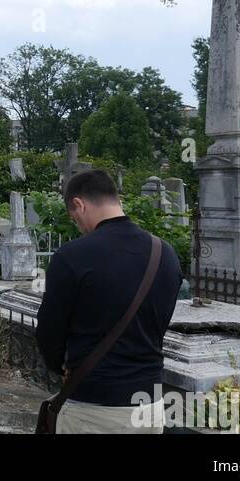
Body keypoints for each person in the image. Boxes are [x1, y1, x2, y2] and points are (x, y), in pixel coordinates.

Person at [35, 170, 182, 433]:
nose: (78, 225)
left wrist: (60, 366)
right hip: (150, 405)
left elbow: (48, 333)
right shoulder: (166, 254)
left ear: (79, 204)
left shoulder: (71, 256)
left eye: (75, 217)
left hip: (93, 408)